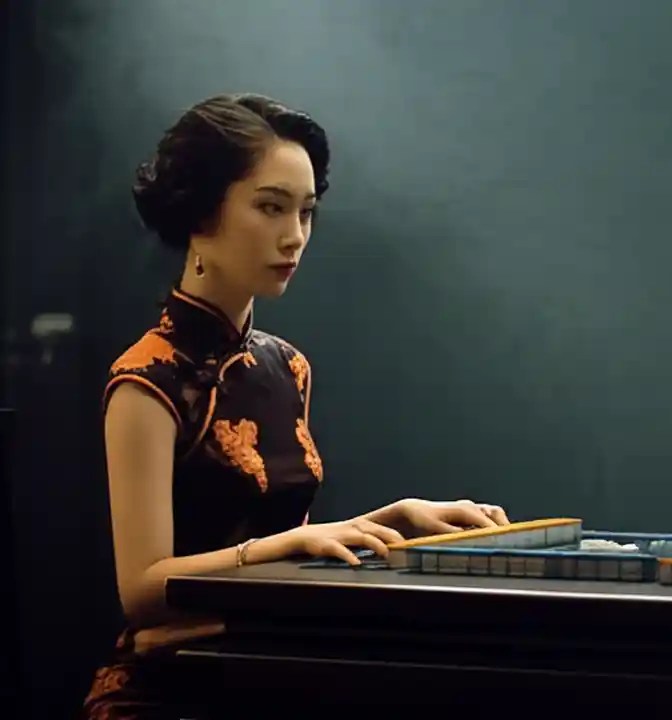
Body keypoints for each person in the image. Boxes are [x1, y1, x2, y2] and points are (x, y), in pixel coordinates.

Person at [82, 93, 512, 719]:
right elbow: (144, 590)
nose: (295, 236)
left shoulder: (286, 366)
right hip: (167, 694)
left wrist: (392, 518)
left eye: (306, 212)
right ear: (202, 213)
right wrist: (287, 547)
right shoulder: (146, 379)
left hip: (272, 671)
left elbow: (290, 544)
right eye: (270, 207)